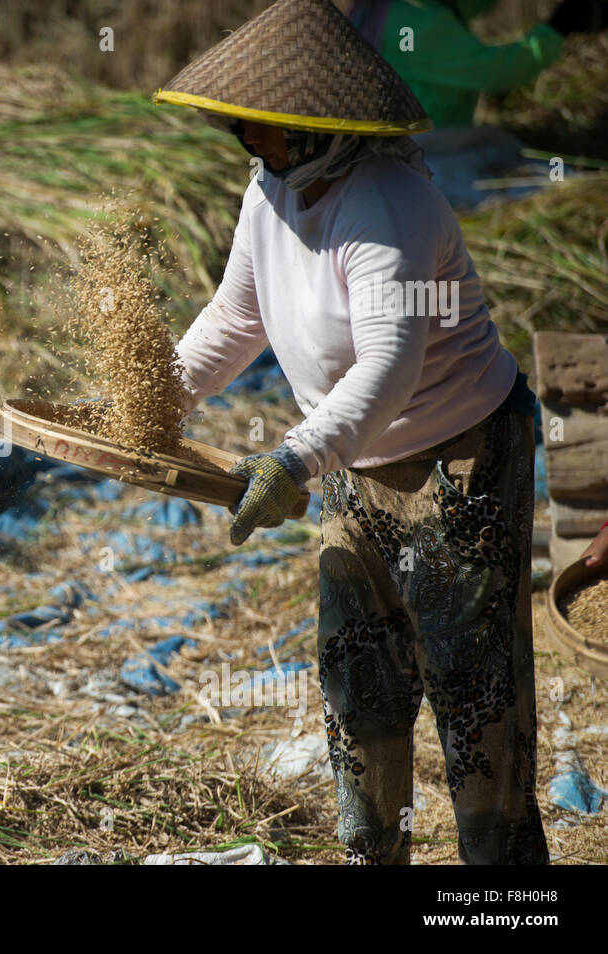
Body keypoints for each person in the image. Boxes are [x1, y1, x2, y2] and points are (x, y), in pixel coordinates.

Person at [154, 0, 548, 864]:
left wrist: (293, 458)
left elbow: (389, 366)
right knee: (358, 690)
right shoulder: (271, 194)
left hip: (460, 464)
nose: (249, 144)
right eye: (243, 131)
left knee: (474, 705)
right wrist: (155, 402)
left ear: (321, 127)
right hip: (353, 463)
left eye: (265, 131)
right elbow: (235, 315)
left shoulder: (390, 206)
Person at [343, 0, 608, 208]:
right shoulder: (416, 23)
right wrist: (557, 30)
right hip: (427, 153)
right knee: (543, 182)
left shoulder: (381, 9)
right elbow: (498, 71)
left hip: (392, 150)